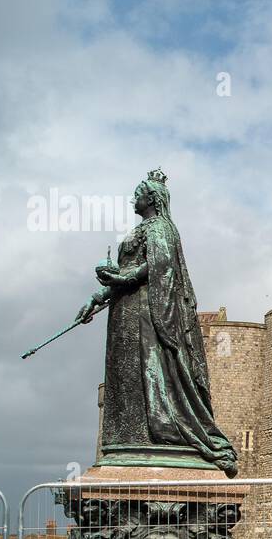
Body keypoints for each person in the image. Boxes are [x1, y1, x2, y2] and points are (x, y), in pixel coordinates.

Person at [75, 170, 238, 477]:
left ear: (151, 198)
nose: (132, 198)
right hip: (127, 313)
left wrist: (124, 277)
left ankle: (162, 428)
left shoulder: (161, 227)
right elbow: (134, 273)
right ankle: (130, 439)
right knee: (128, 377)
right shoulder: (148, 228)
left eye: (138, 193)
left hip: (147, 314)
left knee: (147, 373)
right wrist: (98, 297)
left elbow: (161, 266)